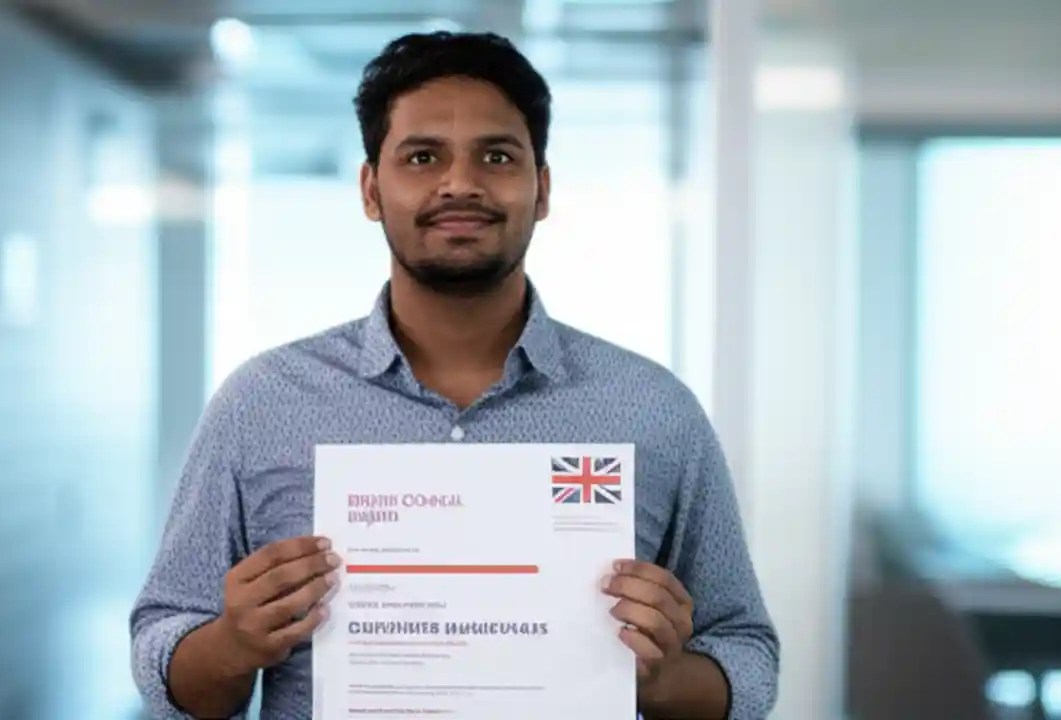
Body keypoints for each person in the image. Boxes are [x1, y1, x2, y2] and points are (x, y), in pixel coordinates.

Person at [131, 31, 779, 720]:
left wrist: (664, 678)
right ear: (371, 189)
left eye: (497, 155)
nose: (461, 183)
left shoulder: (653, 410)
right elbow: (162, 644)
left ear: (544, 187)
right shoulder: (262, 403)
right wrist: (232, 645)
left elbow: (748, 657)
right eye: (422, 156)